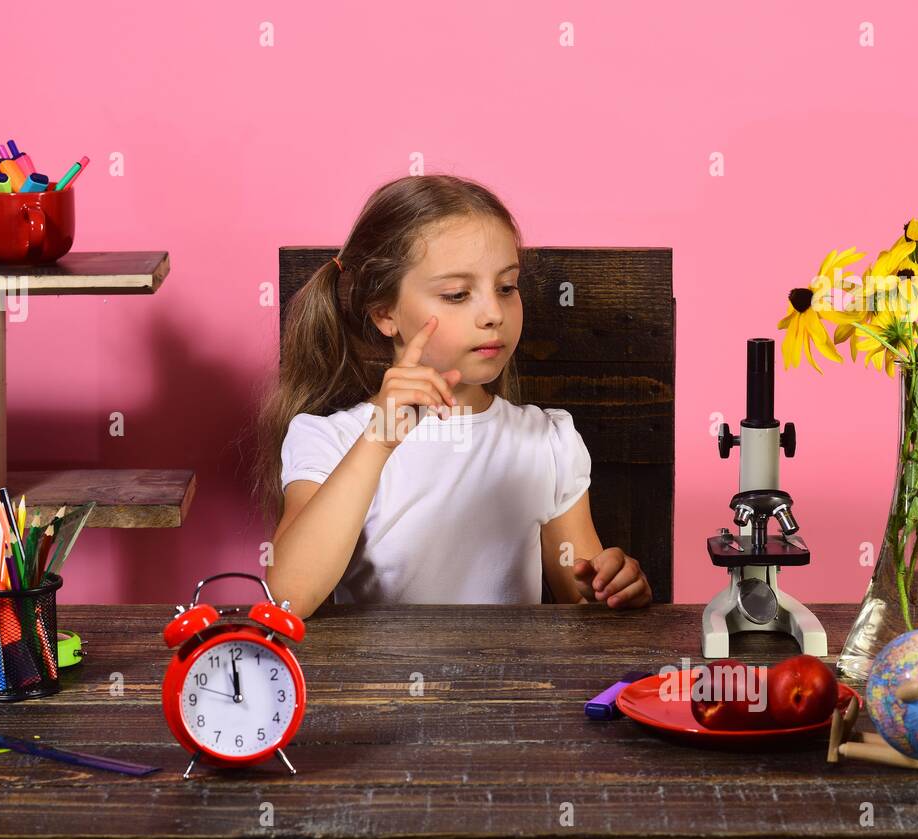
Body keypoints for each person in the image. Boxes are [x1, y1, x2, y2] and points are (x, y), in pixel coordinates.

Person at [252, 174, 652, 618]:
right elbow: (288, 598)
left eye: (506, 287)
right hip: (378, 687)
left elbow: (580, 593)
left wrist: (611, 587)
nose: (493, 314)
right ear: (386, 313)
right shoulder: (330, 439)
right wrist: (378, 441)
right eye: (457, 294)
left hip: (512, 686)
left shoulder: (547, 441)